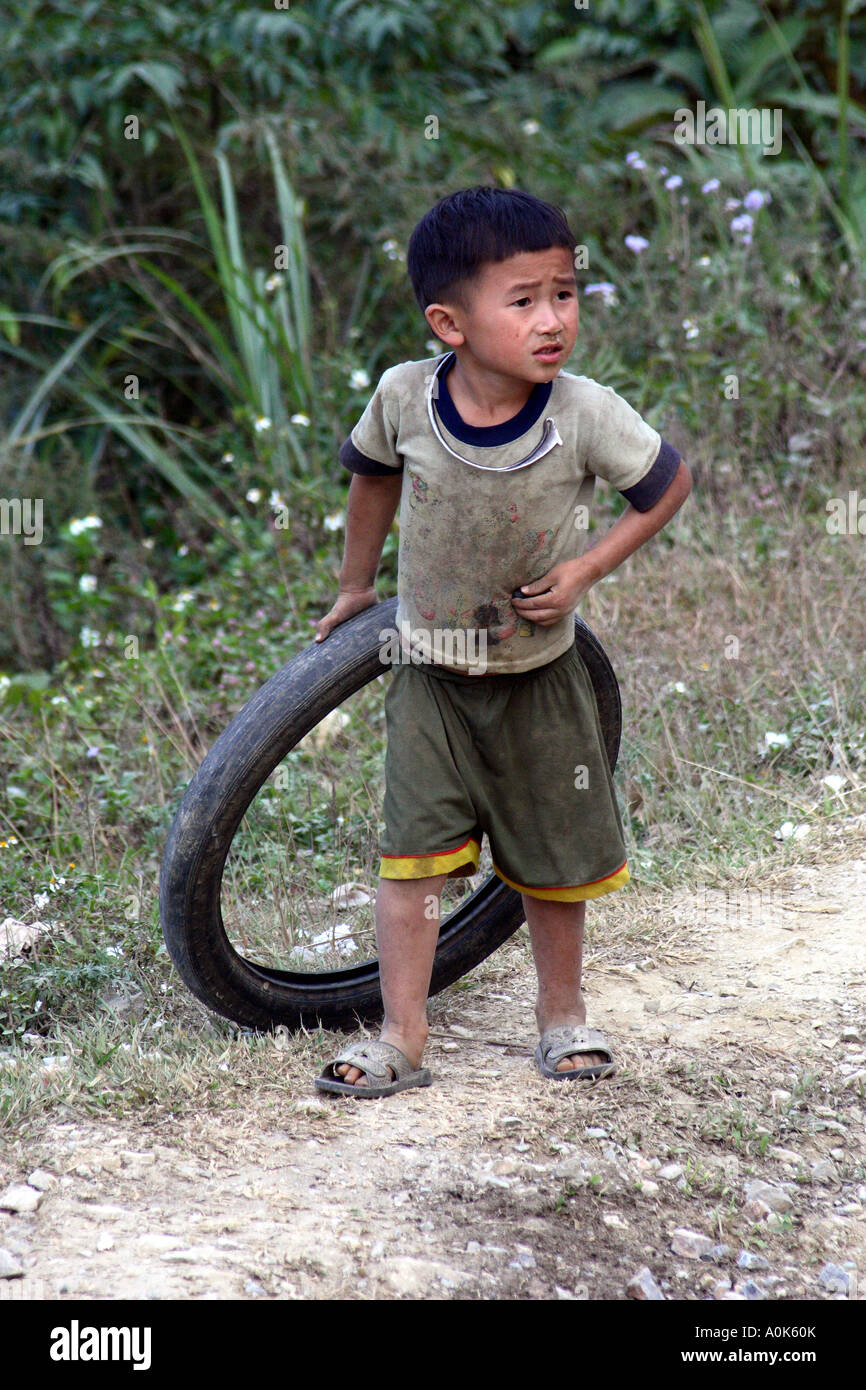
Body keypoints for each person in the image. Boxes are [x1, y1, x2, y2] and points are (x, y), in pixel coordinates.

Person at [313, 185, 691, 1097]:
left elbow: (667, 486)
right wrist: (356, 585)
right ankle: (402, 1034)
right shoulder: (406, 398)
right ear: (450, 321)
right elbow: (370, 483)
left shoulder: (584, 411)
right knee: (410, 865)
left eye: (563, 293)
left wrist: (584, 572)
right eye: (522, 301)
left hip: (539, 675)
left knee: (554, 866)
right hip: (429, 675)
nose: (552, 318)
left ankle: (562, 1018)